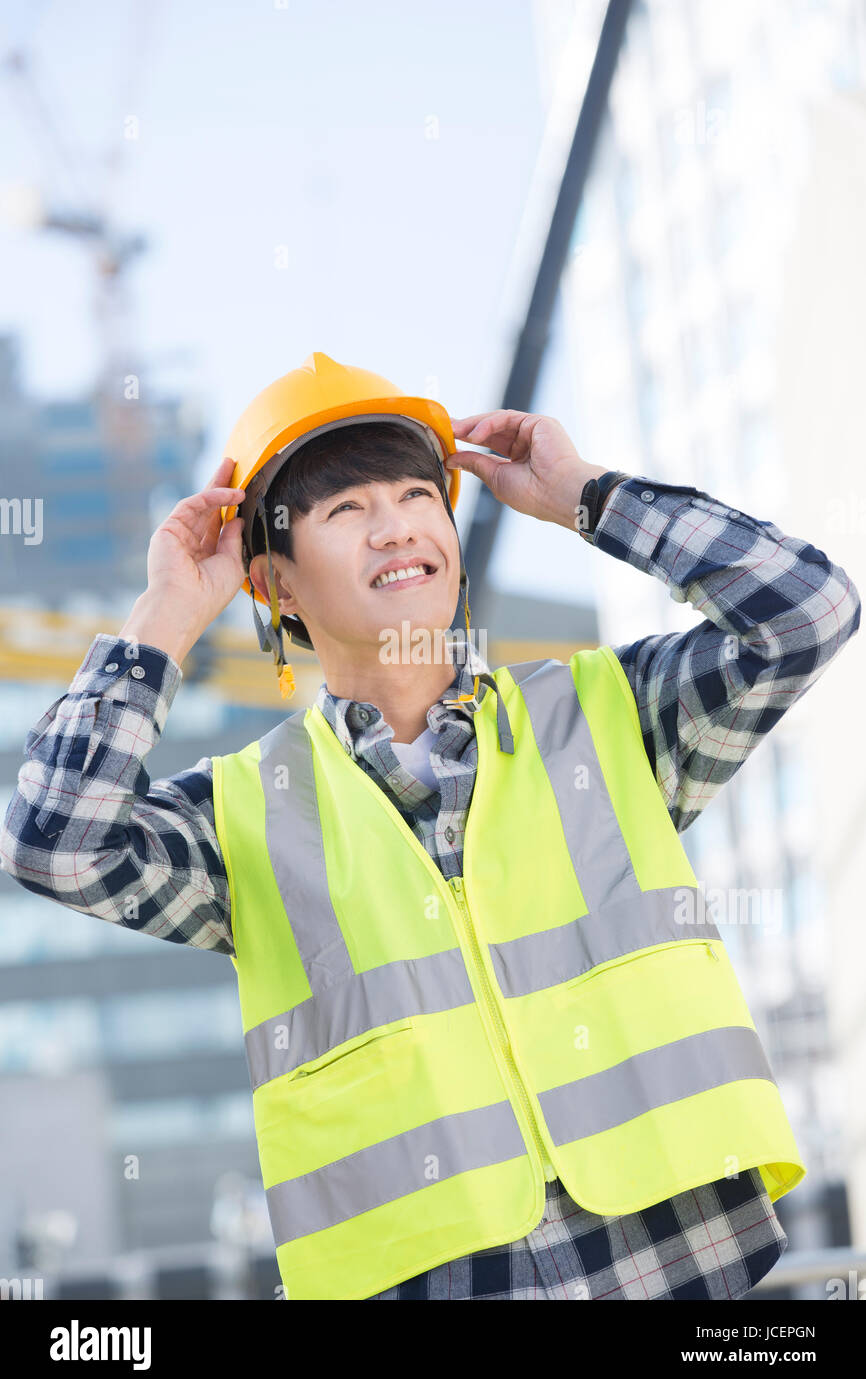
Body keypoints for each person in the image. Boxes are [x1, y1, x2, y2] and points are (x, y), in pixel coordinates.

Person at [1, 354, 860, 1302]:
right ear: (276, 582)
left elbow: (809, 611)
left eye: (418, 494)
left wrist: (584, 496)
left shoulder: (609, 719)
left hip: (680, 1271)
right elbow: (50, 841)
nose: (398, 525)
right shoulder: (244, 817)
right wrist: (167, 614)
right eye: (345, 511)